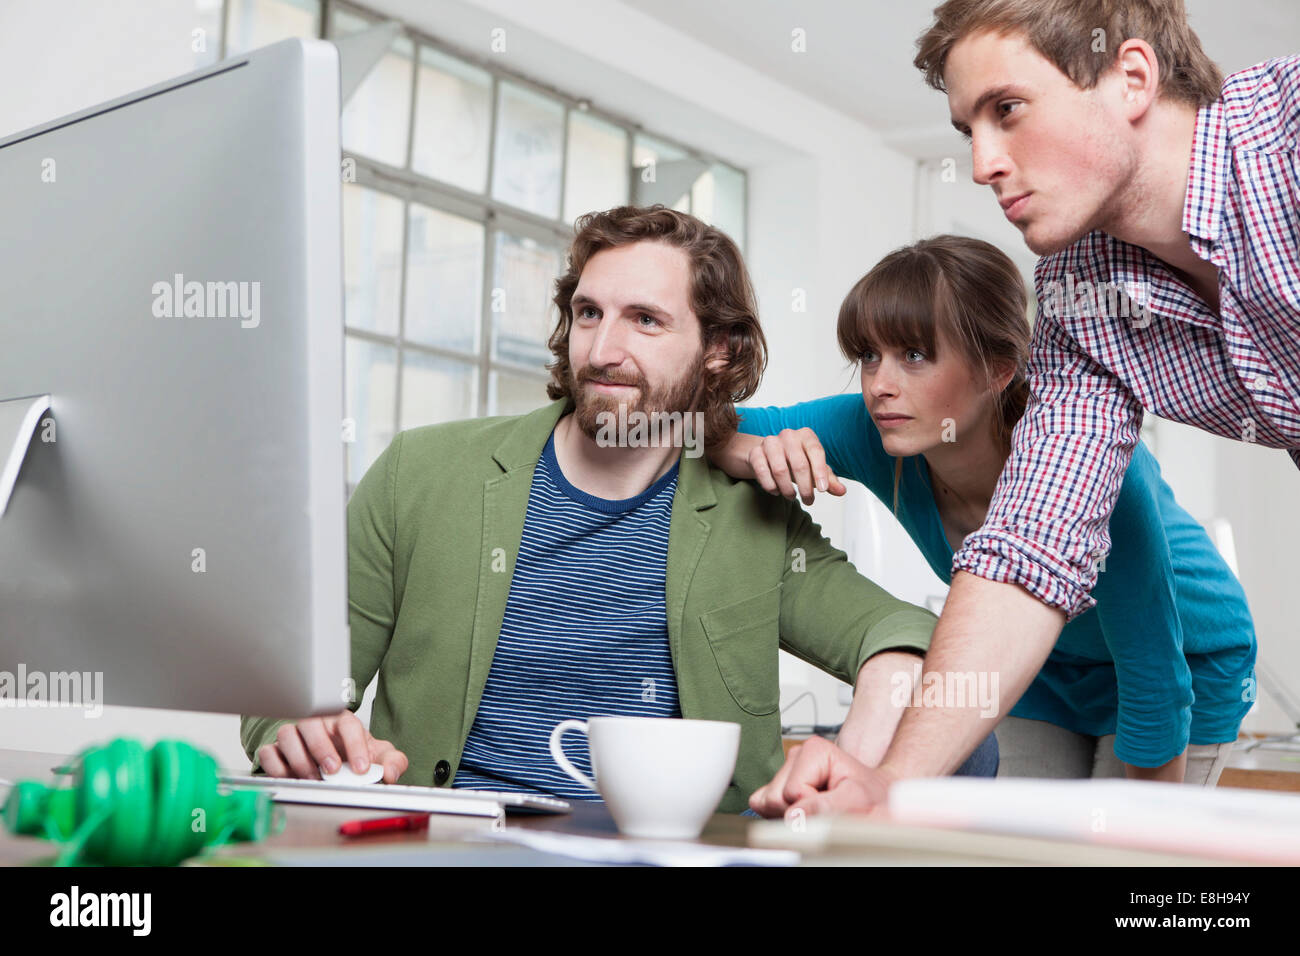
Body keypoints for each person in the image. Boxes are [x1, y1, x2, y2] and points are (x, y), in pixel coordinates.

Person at [239, 205, 997, 811]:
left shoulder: (749, 518)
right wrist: (300, 728)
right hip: (453, 842)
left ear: (720, 353)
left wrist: (861, 761)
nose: (603, 349)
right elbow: (290, 686)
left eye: (645, 320)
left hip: (670, 855)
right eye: (589, 313)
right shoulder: (422, 472)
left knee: (972, 748)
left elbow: (906, 636)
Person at [753, 0, 1297, 818]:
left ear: (1131, 77)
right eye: (967, 127)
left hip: (1188, 676)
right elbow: (1033, 547)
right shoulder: (1080, 303)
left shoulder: (1286, 144)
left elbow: (1152, 652)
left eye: (1007, 110)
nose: (980, 164)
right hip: (1058, 685)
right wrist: (894, 786)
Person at [711, 236, 1254, 812]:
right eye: (869, 355)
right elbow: (696, 429)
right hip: (1047, 664)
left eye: (915, 355)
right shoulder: (876, 428)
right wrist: (754, 451)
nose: (879, 384)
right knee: (1011, 841)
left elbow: (1155, 674)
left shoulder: (1090, 462)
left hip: (1185, 662)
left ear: (997, 371)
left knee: (1116, 845)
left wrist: (1144, 839)